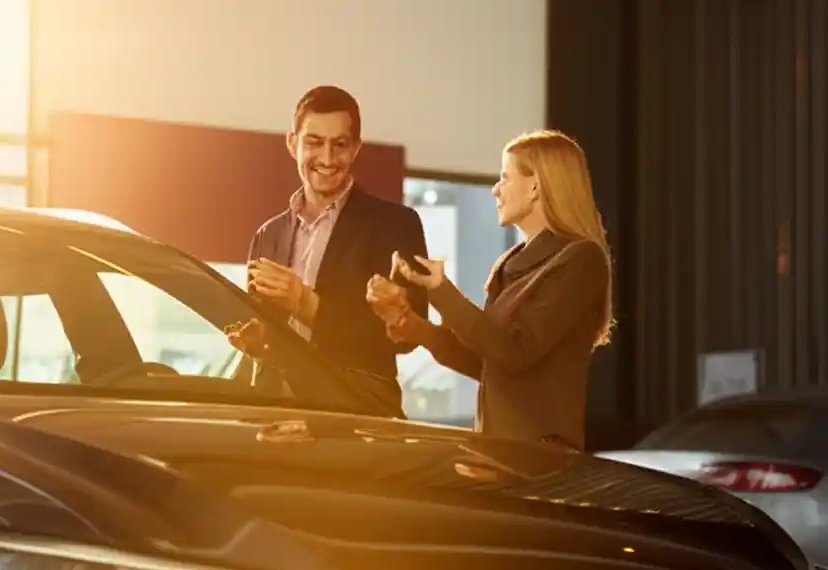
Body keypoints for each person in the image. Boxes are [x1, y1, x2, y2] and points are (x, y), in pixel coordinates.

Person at [367, 130, 613, 450]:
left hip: (541, 459)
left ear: (536, 185)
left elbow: (513, 352)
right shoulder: (508, 263)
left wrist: (441, 290)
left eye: (505, 177)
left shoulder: (581, 259)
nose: (496, 190)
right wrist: (416, 327)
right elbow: (487, 363)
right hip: (497, 452)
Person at [245, 85, 428, 412]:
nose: (327, 159)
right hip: (275, 416)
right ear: (292, 143)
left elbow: (409, 336)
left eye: (340, 145)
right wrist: (257, 338)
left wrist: (307, 304)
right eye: (314, 143)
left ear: (356, 148)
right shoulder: (268, 234)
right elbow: (265, 329)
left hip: (357, 415)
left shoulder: (397, 224)